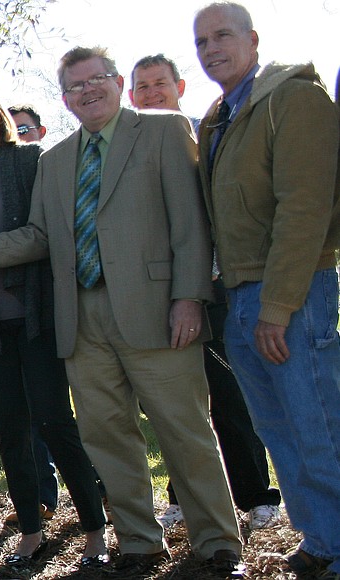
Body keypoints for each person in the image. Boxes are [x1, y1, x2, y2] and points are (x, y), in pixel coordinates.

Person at [0, 47, 245, 577]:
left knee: (184, 430)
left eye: (97, 79)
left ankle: (218, 541)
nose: (88, 91)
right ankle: (139, 542)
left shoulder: (164, 131)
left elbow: (191, 224)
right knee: (107, 435)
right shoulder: (55, 160)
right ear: (65, 98)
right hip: (80, 319)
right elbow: (38, 236)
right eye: (76, 86)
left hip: (158, 311)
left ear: (117, 81)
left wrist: (190, 297)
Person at [194, 3, 340, 578]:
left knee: (320, 429)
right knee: (280, 433)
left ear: (253, 40)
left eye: (222, 36)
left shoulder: (294, 98)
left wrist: (278, 307)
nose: (210, 49)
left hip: (292, 295)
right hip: (240, 296)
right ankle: (322, 541)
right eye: (201, 41)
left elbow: (304, 210)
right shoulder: (221, 116)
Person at [0, 79, 108, 569]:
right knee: (10, 431)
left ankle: (95, 530)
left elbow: (46, 236)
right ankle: (31, 532)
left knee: (56, 422)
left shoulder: (31, 162)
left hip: (37, 315)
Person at [129, 53, 282, 531]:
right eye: (143, 87)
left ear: (180, 86)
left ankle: (257, 494)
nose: (152, 93)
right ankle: (181, 495)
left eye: (160, 84)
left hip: (216, 287)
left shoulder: (206, 135)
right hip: (159, 292)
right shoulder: (130, 149)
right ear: (131, 96)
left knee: (229, 396)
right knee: (177, 404)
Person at [0, 103, 58, 527]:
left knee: (73, 412)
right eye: (13, 130)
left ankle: (102, 493)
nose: (20, 137)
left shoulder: (55, 170)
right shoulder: (3, 182)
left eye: (26, 129)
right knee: (33, 416)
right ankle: (43, 496)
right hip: (22, 312)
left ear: (40, 131)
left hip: (65, 306)